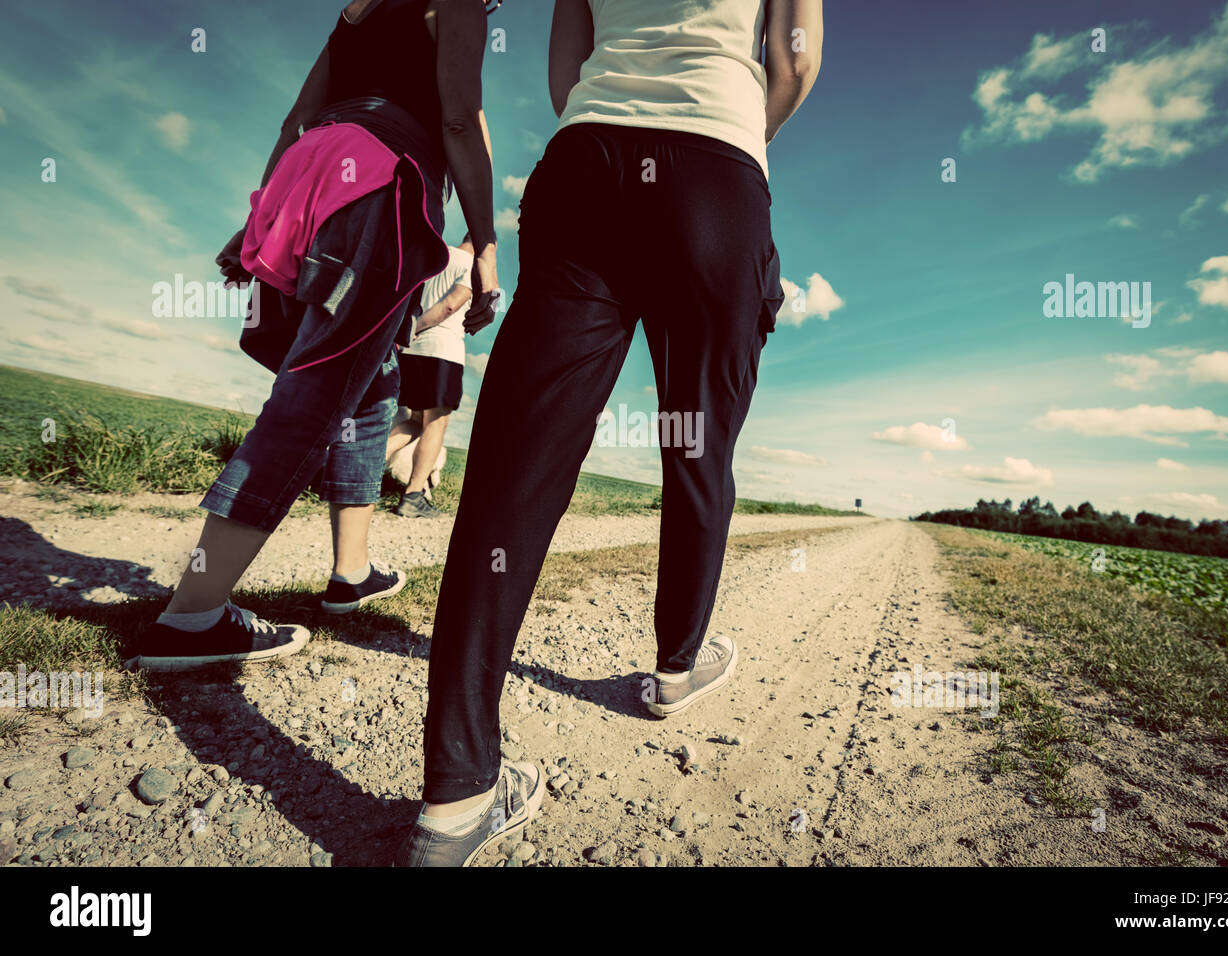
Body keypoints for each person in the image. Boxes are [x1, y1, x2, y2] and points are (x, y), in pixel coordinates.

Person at [401, 0, 822, 866]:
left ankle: (454, 795)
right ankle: (676, 665)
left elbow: (568, 64)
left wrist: (619, 121)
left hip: (588, 160)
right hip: (719, 170)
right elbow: (796, 62)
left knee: (515, 463)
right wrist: (733, 131)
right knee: (697, 448)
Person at [128, 0, 501, 671]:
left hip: (313, 175)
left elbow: (293, 119)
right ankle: (193, 614)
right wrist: (489, 249)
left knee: (372, 387)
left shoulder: (357, 13)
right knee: (314, 396)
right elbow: (458, 119)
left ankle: (351, 571)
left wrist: (256, 216)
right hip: (381, 183)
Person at [385, 233, 475, 518]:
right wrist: (419, 327)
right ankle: (413, 496)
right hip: (442, 349)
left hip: (413, 351)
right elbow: (451, 305)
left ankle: (361, 472)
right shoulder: (472, 265)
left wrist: (408, 333)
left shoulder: (437, 257)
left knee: (414, 420)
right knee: (436, 424)